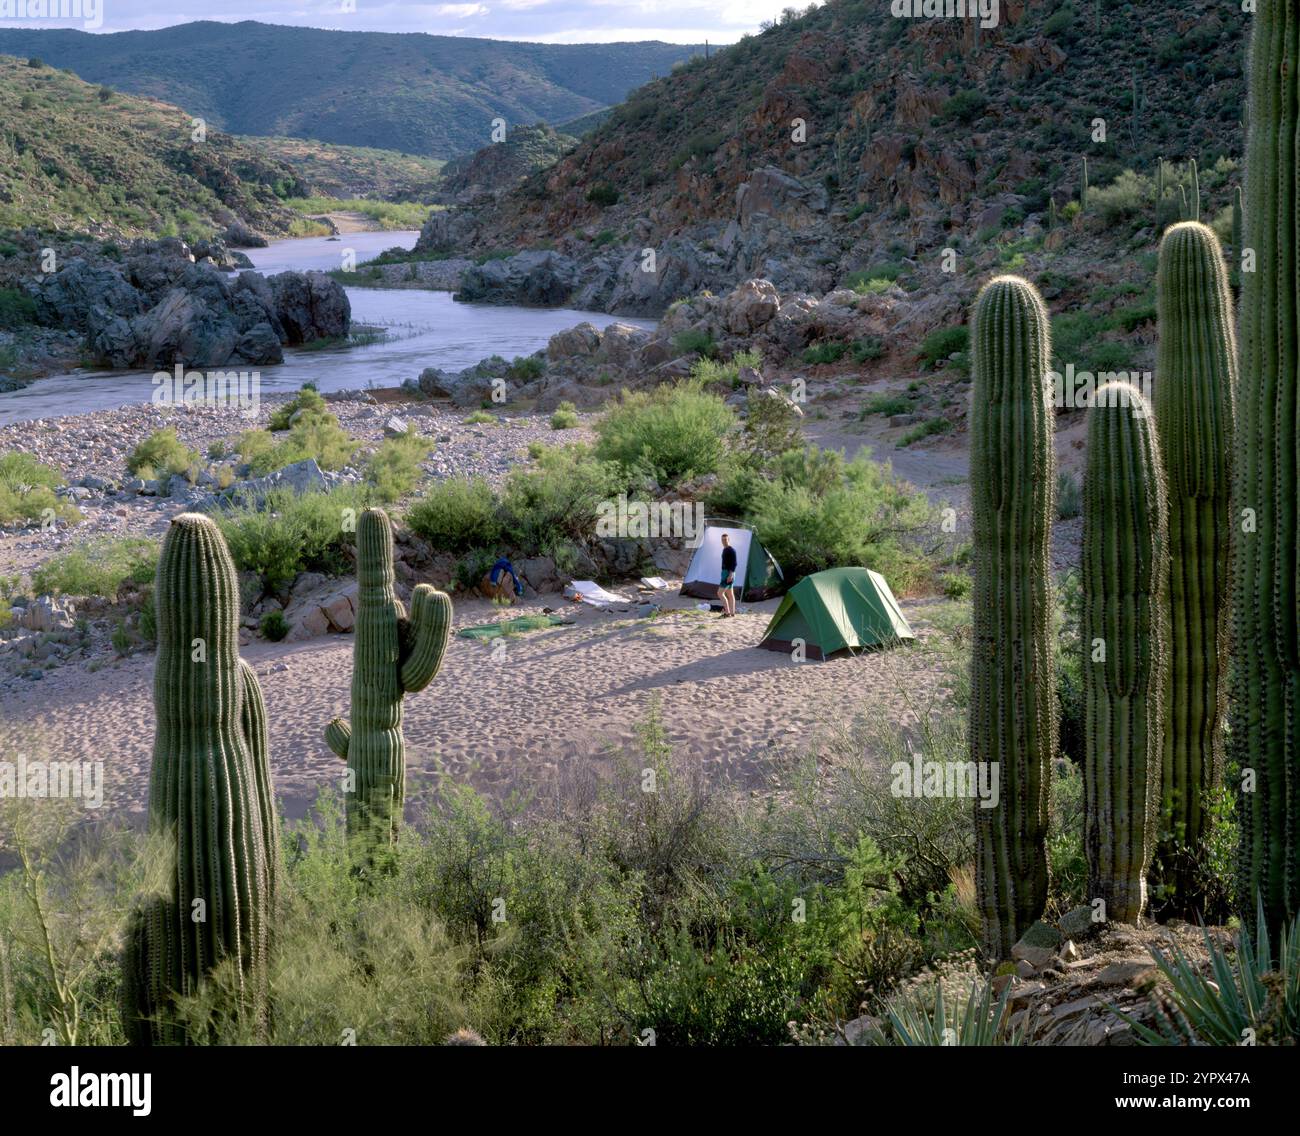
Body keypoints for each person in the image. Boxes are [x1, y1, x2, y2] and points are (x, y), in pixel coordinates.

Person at [718, 533, 737, 618]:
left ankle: (727, 612)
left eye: (725, 540)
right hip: (725, 573)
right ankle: (732, 613)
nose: (724, 541)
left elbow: (734, 564)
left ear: (728, 540)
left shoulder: (731, 550)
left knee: (720, 593)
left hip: (728, 574)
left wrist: (730, 575)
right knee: (730, 594)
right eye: (722, 540)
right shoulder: (725, 549)